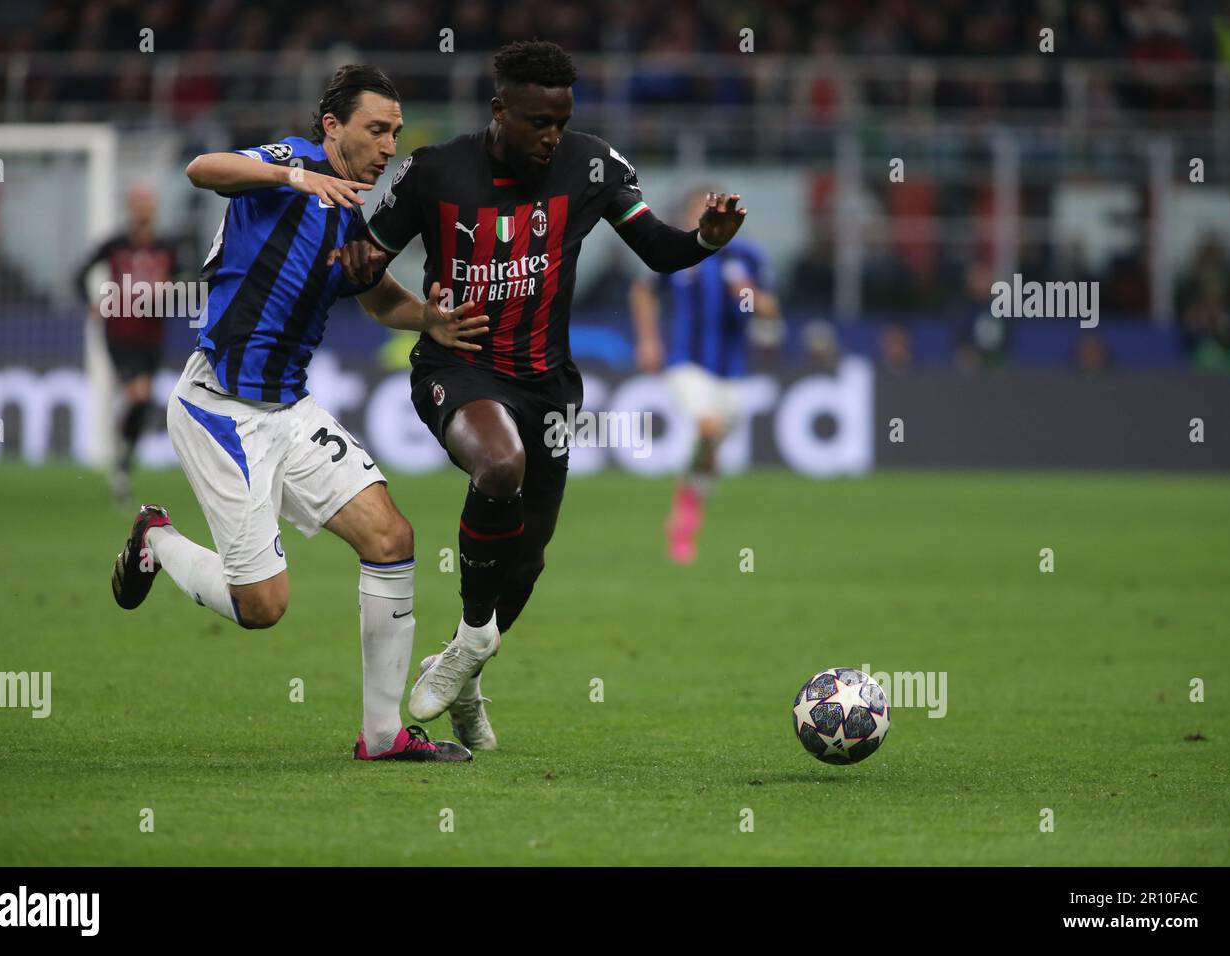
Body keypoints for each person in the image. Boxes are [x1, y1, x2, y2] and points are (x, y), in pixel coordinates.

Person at [333, 41, 747, 749]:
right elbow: (360, 268)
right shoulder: (434, 172)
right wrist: (401, 293)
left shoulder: (591, 165)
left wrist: (705, 240)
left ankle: (464, 674)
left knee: (527, 562)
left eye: (560, 120)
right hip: (457, 366)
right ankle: (468, 642)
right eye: (535, 121)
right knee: (499, 466)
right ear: (499, 111)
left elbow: (660, 250)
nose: (550, 135)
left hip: (550, 386)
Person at [110, 65, 489, 763]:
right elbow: (202, 169)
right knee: (263, 608)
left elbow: (377, 301)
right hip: (218, 408)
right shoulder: (290, 161)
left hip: (289, 408)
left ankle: (382, 738)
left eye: (396, 133)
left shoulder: (356, 215)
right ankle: (156, 539)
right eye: (376, 129)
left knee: (391, 537)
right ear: (332, 127)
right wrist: (295, 178)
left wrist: (429, 319)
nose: (387, 145)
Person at [629, 185, 780, 563]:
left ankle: (685, 516)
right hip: (686, 364)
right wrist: (648, 341)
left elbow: (769, 312)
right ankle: (685, 519)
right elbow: (643, 292)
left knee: (710, 455)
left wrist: (750, 296)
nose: (710, 219)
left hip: (731, 373)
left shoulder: (748, 256)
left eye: (715, 211)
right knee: (708, 428)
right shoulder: (678, 251)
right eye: (702, 211)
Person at [75, 184, 181, 506]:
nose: (143, 209)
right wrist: (92, 302)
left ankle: (122, 459)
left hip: (151, 336)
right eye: (138, 203)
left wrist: (170, 292)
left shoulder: (167, 248)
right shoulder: (115, 246)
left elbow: (184, 283)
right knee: (139, 394)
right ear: (129, 208)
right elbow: (79, 275)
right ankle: (121, 458)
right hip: (119, 334)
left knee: (140, 398)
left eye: (148, 203)